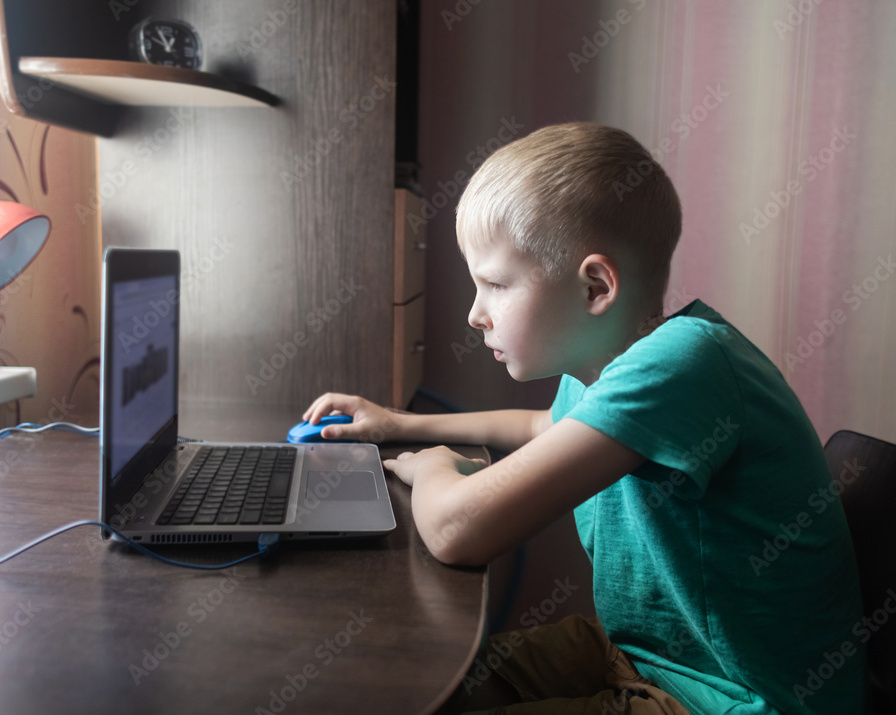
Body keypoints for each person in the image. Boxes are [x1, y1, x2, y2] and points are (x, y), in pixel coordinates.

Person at [302, 123, 866, 714]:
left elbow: (454, 532)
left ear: (596, 285)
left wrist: (435, 469)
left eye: (495, 284)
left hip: (732, 700)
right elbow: (543, 428)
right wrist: (398, 424)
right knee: (414, 681)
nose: (475, 314)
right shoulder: (607, 369)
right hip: (647, 654)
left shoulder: (686, 364)